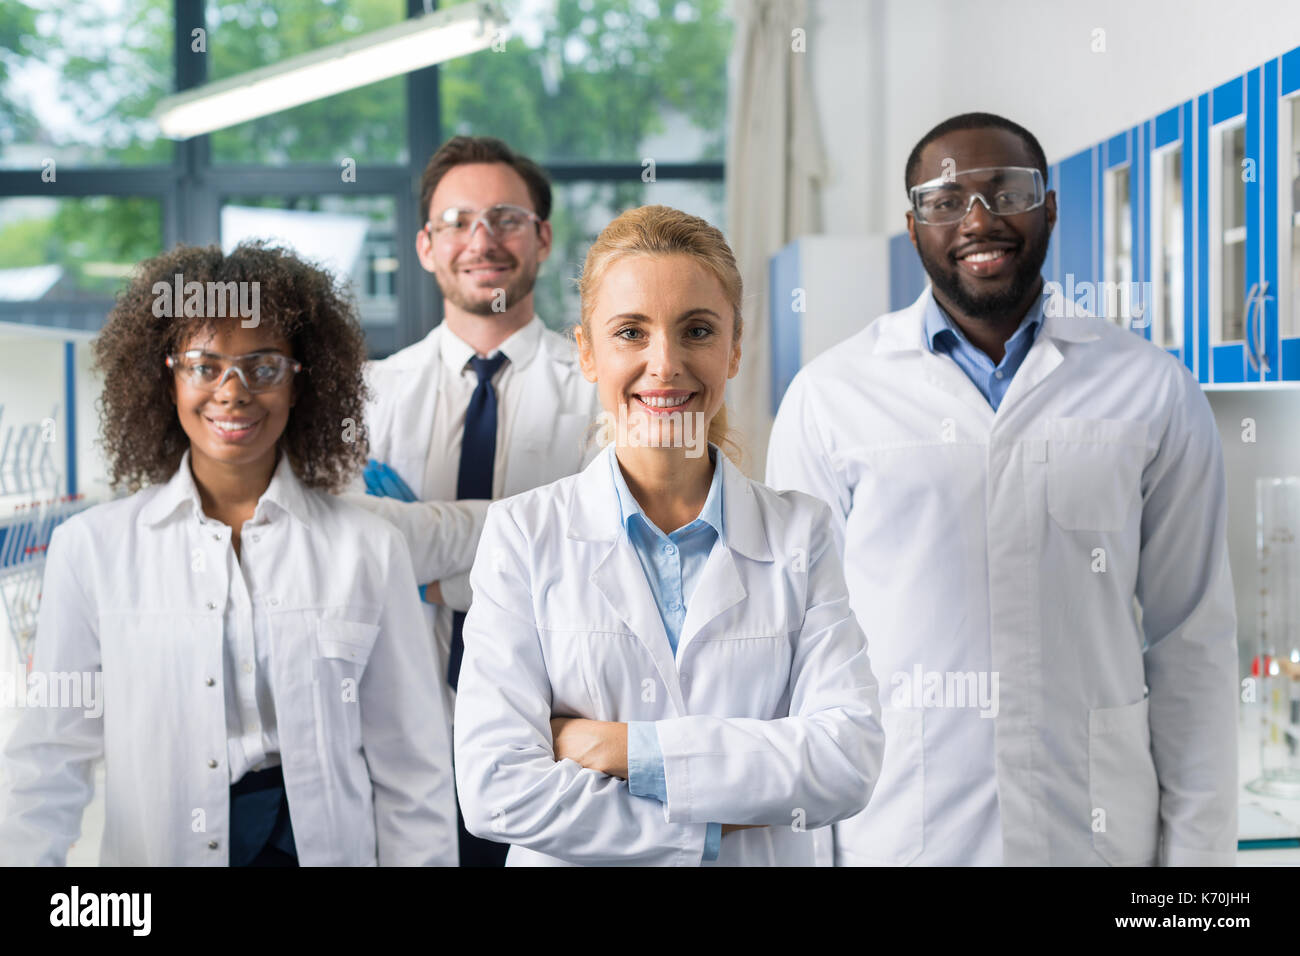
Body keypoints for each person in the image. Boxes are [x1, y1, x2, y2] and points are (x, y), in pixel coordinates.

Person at [767, 112, 1238, 866]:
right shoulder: (830, 398)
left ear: (1051, 205)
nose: (978, 219)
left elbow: (1192, 647)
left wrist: (1195, 888)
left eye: (1007, 192)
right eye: (945, 201)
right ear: (915, 225)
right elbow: (795, 662)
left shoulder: (1151, 389)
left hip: (1091, 837)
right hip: (897, 835)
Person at [453, 205, 884, 866]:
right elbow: (495, 792)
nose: (666, 364)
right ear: (588, 353)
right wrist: (709, 825)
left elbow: (844, 760)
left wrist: (620, 748)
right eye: (631, 331)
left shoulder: (801, 532)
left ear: (734, 347)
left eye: (697, 330)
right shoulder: (524, 535)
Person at [0, 242, 457, 866]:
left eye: (263, 366)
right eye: (203, 365)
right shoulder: (91, 550)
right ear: (166, 377)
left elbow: (413, 766)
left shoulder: (368, 550)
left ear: (302, 382)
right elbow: (50, 756)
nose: (232, 391)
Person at [357, 135, 600, 866]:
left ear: (543, 239)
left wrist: (425, 571)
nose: (482, 240)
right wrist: (536, 534)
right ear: (427, 246)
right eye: (458, 222)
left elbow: (593, 559)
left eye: (505, 218)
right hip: (401, 738)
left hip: (555, 740)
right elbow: (353, 552)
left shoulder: (598, 390)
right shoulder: (365, 397)